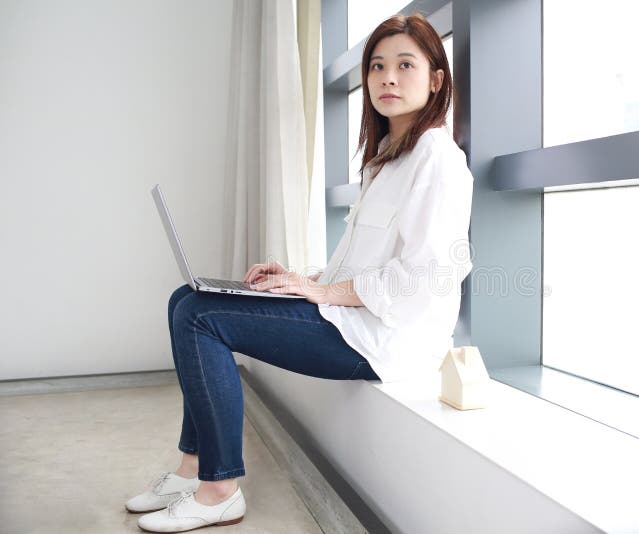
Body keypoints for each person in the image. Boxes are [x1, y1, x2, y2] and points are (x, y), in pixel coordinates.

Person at [126, 12, 473, 532]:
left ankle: (219, 488)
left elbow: (422, 281)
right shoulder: (384, 158)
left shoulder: (438, 160)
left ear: (436, 78)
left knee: (199, 314)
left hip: (381, 341)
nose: (387, 78)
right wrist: (297, 277)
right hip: (349, 318)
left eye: (405, 65)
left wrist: (320, 290)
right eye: (377, 66)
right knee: (186, 298)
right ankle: (192, 468)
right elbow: (356, 265)